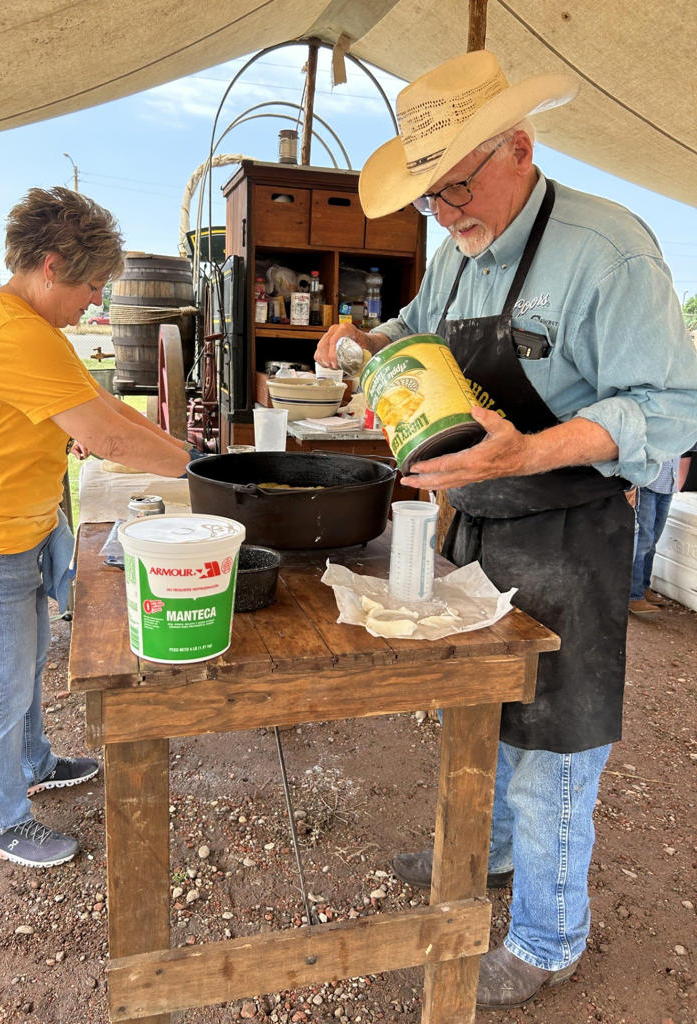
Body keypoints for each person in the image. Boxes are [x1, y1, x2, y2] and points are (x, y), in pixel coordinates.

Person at [315, 51, 697, 1009]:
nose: (446, 216)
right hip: (477, 522)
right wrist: (363, 343)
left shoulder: (610, 251)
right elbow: (417, 328)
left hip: (570, 528)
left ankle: (548, 936)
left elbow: (673, 406)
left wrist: (524, 452)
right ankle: (482, 856)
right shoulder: (460, 252)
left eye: (456, 189)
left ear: (519, 148)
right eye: (431, 202)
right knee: (477, 711)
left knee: (552, 745)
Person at [0, 186, 195, 869]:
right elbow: (107, 436)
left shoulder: (26, 327)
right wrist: (206, 475)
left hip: (19, 522)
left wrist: (197, 457)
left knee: (28, 660)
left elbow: (103, 405)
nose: (95, 303)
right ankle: (0, 820)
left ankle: (36, 762)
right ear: (51, 266)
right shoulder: (9, 333)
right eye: (91, 286)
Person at [629, 456, 679, 612]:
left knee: (652, 541)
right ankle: (633, 595)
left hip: (668, 483)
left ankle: (643, 587)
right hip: (647, 483)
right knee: (644, 541)